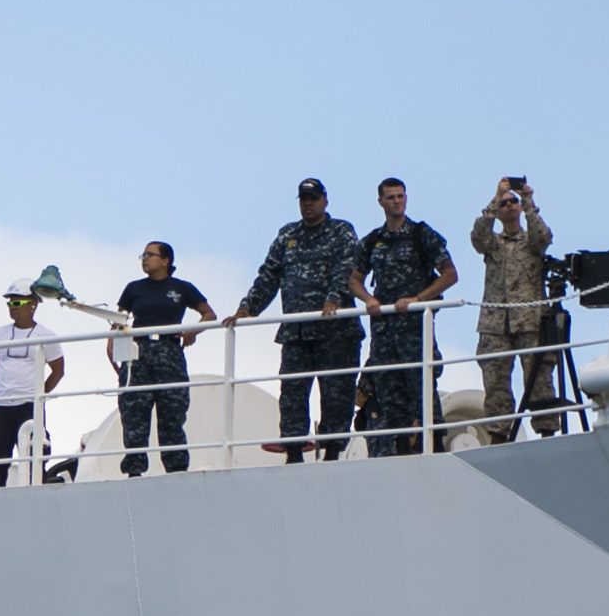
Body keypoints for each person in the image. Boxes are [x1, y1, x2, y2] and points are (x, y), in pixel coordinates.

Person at [235, 182, 364, 463]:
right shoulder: (288, 235)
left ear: (325, 201)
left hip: (335, 331)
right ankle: (293, 452)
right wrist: (248, 308)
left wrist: (333, 299)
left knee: (336, 395)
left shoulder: (341, 231)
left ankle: (332, 452)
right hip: (297, 332)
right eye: (304, 199)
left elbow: (346, 268)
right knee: (292, 394)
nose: (308, 204)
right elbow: (269, 274)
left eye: (313, 199)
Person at [354, 179, 459, 456]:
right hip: (385, 331)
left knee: (422, 387)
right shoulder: (373, 240)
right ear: (381, 202)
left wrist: (418, 299)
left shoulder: (421, 234)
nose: (396, 201)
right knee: (389, 389)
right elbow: (353, 280)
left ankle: (435, 445)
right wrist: (369, 299)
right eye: (390, 197)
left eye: (400, 196)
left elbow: (450, 274)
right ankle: (401, 447)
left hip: (414, 329)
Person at [471, 176, 567, 441]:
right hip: (495, 324)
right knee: (496, 382)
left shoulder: (531, 241)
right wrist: (495, 198)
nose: (509, 205)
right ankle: (499, 436)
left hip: (530, 320)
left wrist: (528, 201)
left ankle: (546, 431)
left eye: (513, 202)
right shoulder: (493, 243)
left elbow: (543, 237)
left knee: (539, 379)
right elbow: (478, 236)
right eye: (505, 203)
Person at [114, 239, 216, 475]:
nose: (145, 259)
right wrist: (113, 344)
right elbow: (119, 320)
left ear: (165, 261)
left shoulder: (182, 288)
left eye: (150, 255)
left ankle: (176, 468)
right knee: (134, 413)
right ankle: (134, 470)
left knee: (172, 412)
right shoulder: (134, 288)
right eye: (143, 255)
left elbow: (209, 314)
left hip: (169, 351)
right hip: (138, 353)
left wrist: (193, 331)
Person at [0, 287, 66, 486]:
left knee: (35, 459)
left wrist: (39, 393)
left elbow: (58, 369)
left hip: (29, 405)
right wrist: (4, 389)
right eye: (9, 303)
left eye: (17, 303)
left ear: (32, 305)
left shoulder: (45, 334)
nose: (12, 308)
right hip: (1, 406)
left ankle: (36, 497)